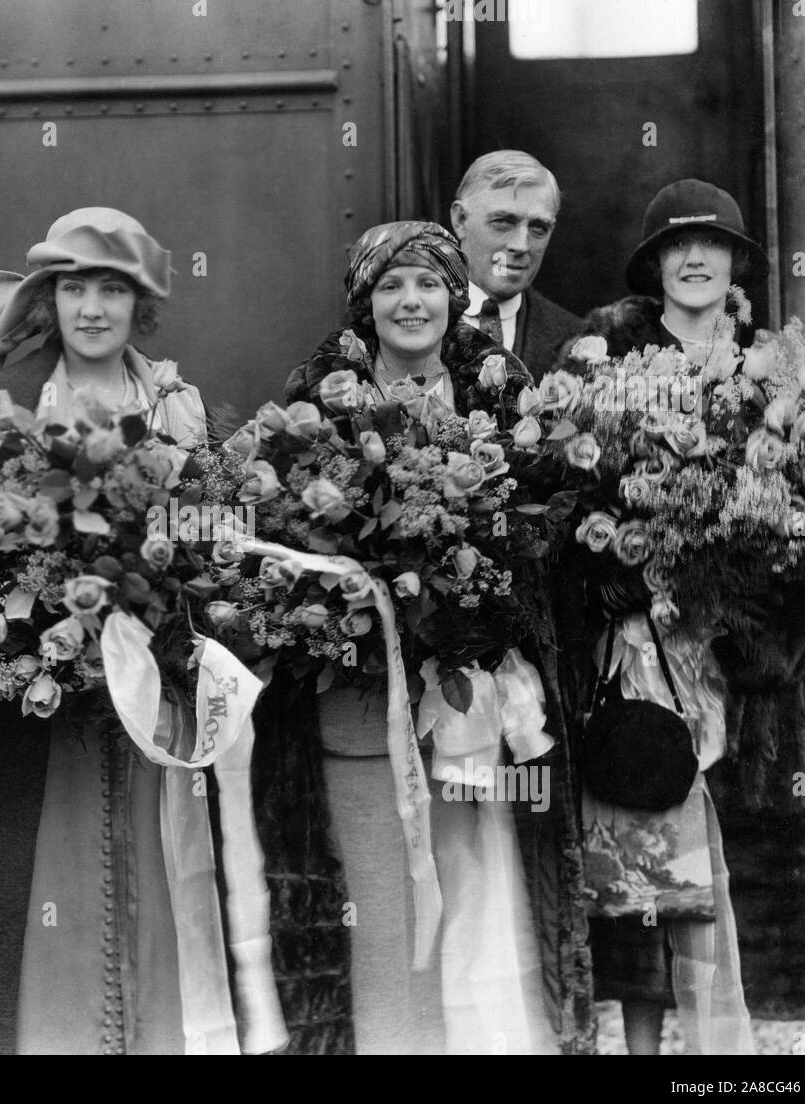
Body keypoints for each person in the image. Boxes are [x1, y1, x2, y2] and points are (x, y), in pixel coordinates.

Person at [0, 206, 219, 1054]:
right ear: (51, 299)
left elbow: (216, 541)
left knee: (152, 872)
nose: (93, 308)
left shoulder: (177, 409)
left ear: (138, 303)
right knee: (54, 881)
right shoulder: (12, 410)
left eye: (113, 288)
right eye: (75, 288)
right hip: (44, 708)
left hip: (152, 692)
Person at [281, 220, 593, 1054]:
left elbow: (542, 536)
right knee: (381, 888)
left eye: (428, 284)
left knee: (473, 866)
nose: (410, 301)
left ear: (456, 298)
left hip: (474, 686)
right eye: (390, 285)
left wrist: (472, 592)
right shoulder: (318, 404)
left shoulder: (499, 396)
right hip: (363, 692)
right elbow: (289, 540)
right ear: (364, 301)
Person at [560, 179, 774, 1053]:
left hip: (742, 651)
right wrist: (614, 575)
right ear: (654, 264)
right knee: (648, 841)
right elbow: (564, 490)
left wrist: (752, 602)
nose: (696, 258)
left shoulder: (770, 364)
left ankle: (729, 1075)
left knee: (741, 860)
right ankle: (645, 1054)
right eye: (678, 245)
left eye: (714, 244)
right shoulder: (607, 348)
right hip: (641, 643)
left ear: (734, 261)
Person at [449, 150, 584, 381]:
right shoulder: (409, 320)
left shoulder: (575, 340)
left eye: (538, 228)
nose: (521, 246)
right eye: (503, 222)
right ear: (461, 220)